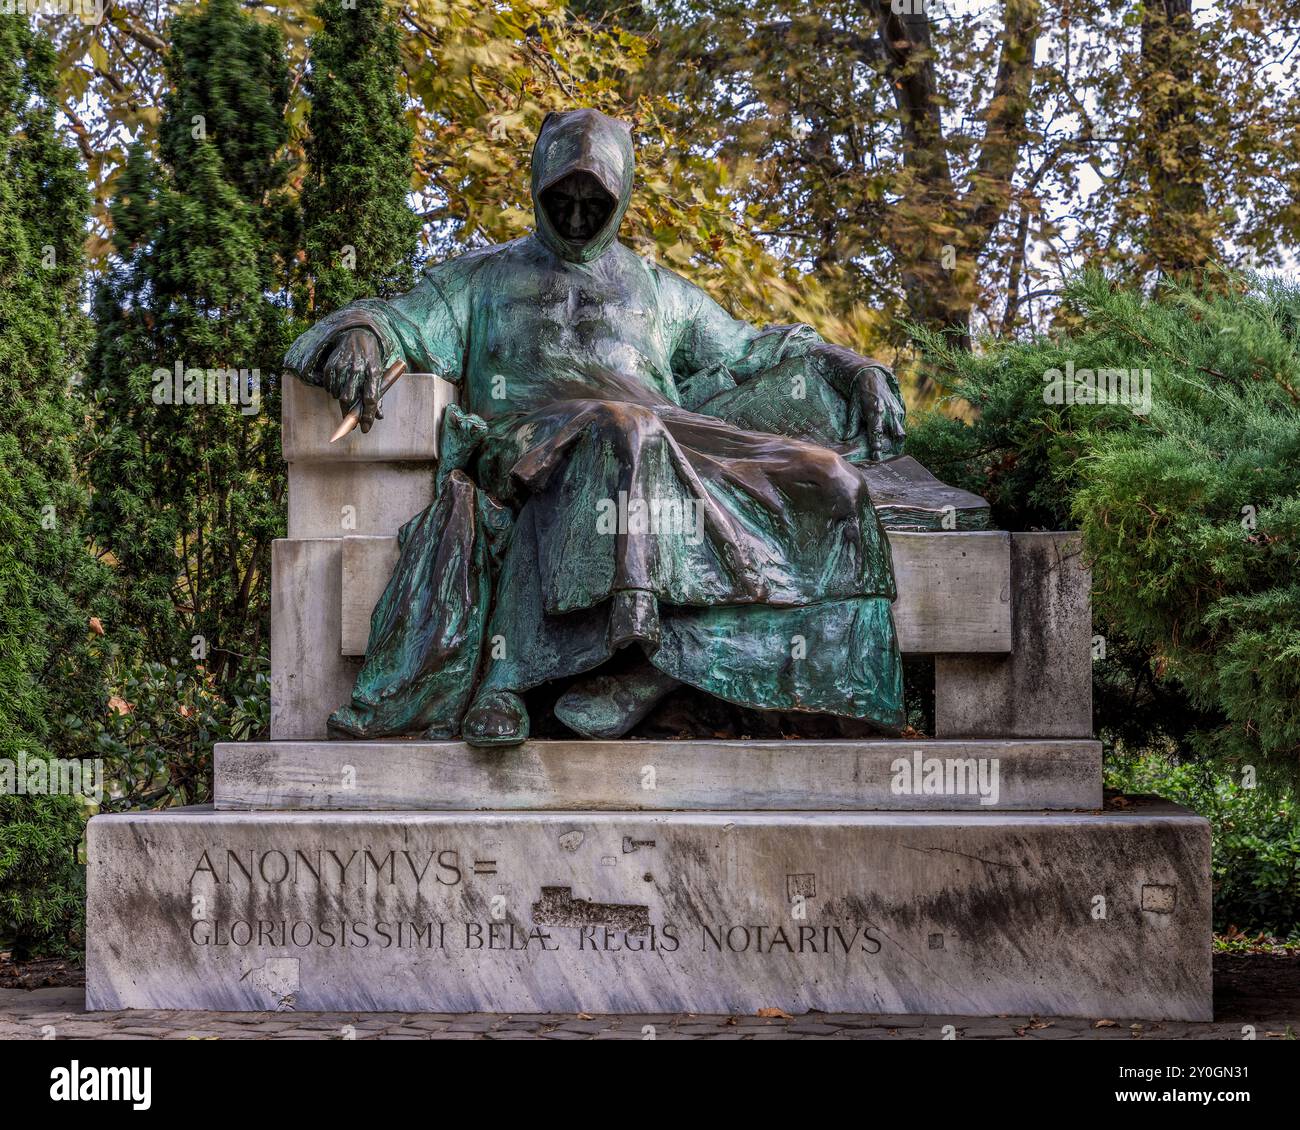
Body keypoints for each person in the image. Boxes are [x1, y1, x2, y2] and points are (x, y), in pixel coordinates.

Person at [285, 108, 907, 748]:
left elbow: (755, 348)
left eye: (596, 201)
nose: (578, 217)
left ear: (622, 196)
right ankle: (532, 675)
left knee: (831, 479)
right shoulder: (478, 279)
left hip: (666, 438)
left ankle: (653, 676)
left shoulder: (661, 292)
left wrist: (849, 364)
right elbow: (399, 321)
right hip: (532, 441)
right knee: (622, 428)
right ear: (537, 186)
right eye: (564, 198)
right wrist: (361, 337)